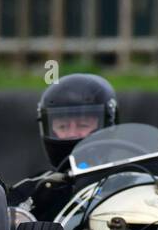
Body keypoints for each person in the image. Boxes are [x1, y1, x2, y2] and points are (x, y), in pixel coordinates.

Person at [8, 73, 118, 221]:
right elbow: (2, 227)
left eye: (83, 125)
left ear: (108, 124)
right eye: (62, 126)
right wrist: (39, 203)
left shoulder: (131, 182)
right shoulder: (33, 189)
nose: (72, 134)